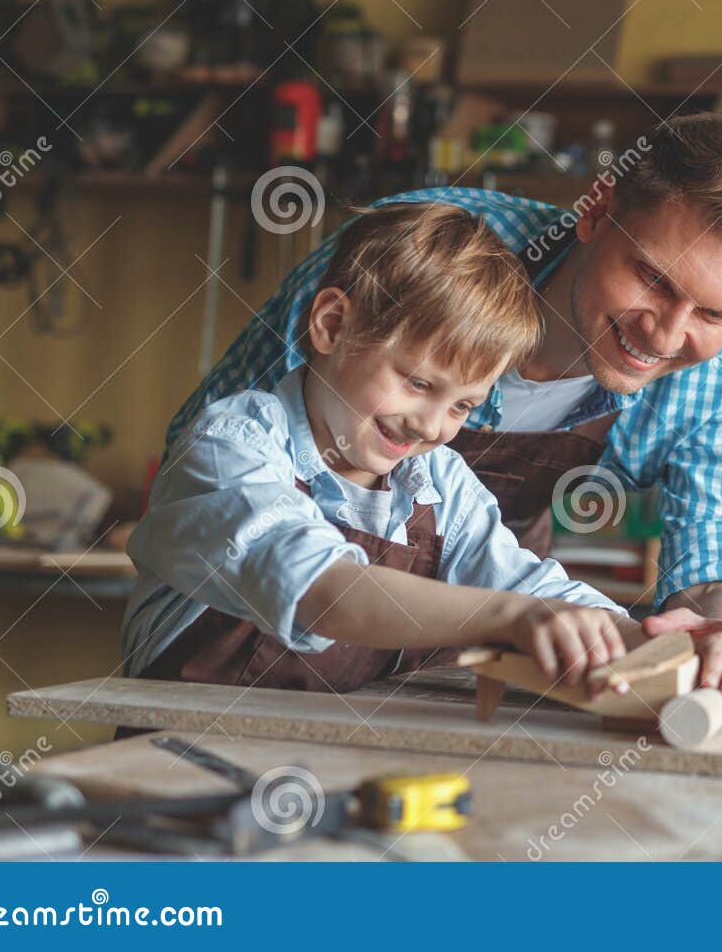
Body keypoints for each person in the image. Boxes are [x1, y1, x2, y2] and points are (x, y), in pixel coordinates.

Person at [168, 114, 722, 716]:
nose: (668, 335)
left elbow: (703, 559)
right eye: (654, 278)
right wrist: (508, 615)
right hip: (223, 669)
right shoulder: (420, 261)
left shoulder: (444, 486)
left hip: (414, 678)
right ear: (595, 212)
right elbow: (234, 480)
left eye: (714, 314)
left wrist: (701, 643)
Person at [122, 203, 637, 693]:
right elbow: (328, 593)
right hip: (183, 763)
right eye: (417, 383)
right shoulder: (232, 449)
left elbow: (530, 584)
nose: (430, 426)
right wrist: (511, 616)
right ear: (331, 324)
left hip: (336, 767)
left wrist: (651, 640)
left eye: (463, 406)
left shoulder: (437, 482)